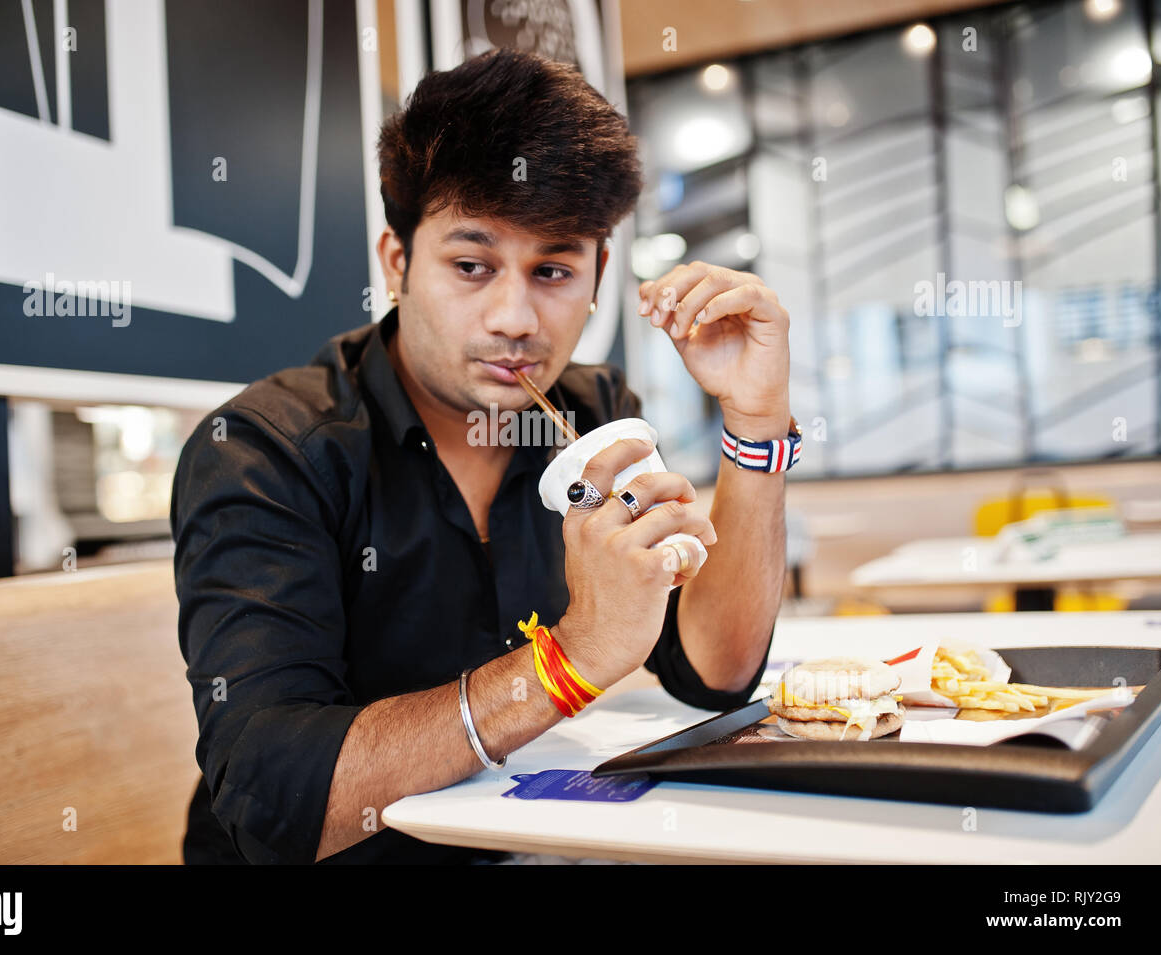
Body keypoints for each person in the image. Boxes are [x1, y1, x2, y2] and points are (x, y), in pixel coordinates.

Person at [172, 47, 794, 864]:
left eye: (553, 270)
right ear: (397, 263)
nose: (514, 316)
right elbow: (276, 802)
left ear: (600, 274)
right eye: (471, 265)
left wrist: (756, 421)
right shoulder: (268, 451)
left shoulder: (592, 418)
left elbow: (714, 670)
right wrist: (567, 661)